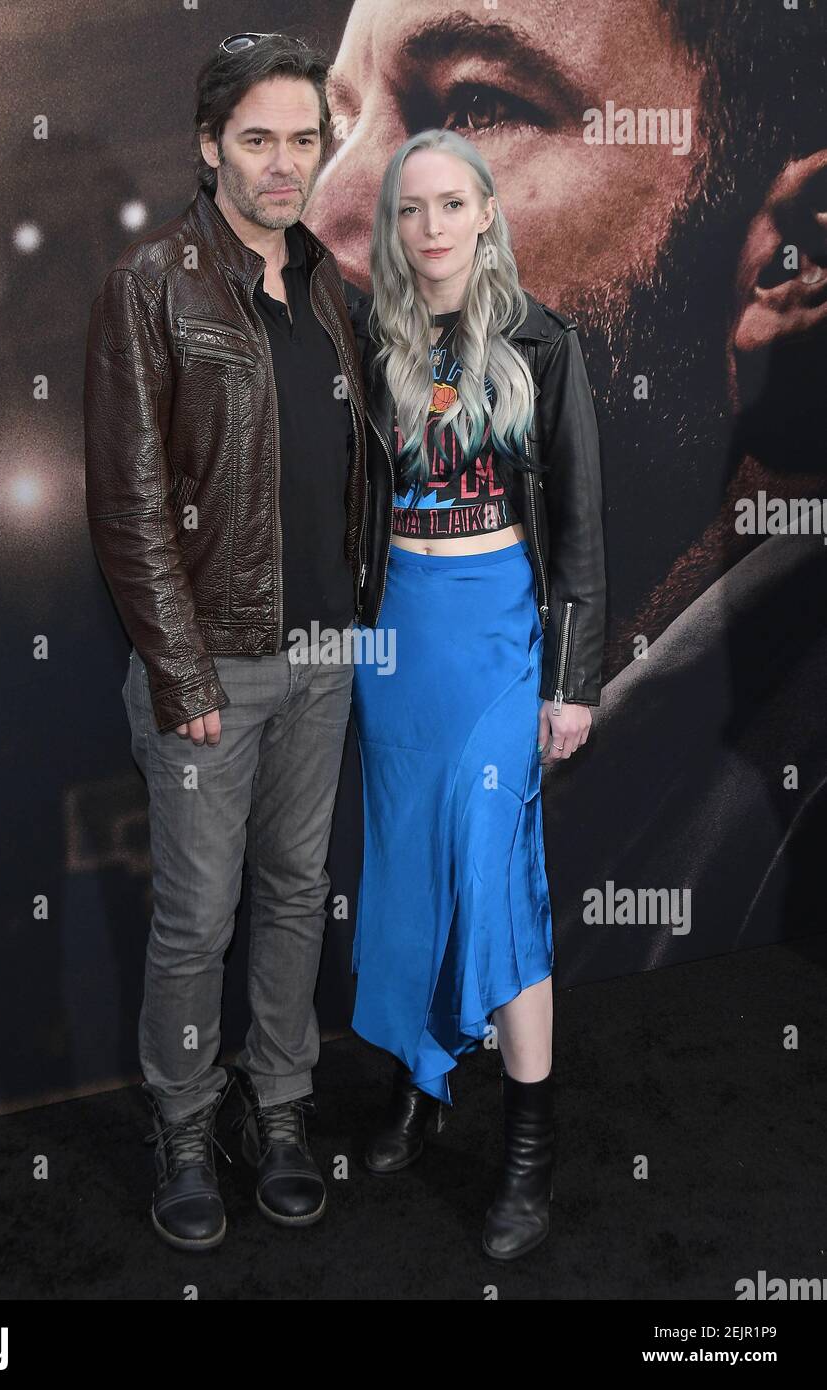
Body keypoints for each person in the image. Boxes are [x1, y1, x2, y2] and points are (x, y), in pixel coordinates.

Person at [83, 32, 368, 1250]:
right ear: (209, 149)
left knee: (297, 892)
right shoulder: (151, 288)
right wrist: (181, 670)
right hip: (214, 670)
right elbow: (130, 503)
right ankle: (186, 1122)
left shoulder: (334, 295)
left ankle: (282, 1107)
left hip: (326, 662)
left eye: (303, 139)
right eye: (257, 139)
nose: (283, 164)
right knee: (198, 919)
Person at [347, 129, 606, 1261]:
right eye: (412, 211)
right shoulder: (367, 339)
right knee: (406, 874)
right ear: (395, 227)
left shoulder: (543, 343)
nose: (432, 228)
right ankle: (422, 1079)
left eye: (453, 205)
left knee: (495, 879)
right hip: (396, 650)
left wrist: (572, 681)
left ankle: (527, 1149)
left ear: (487, 213)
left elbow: (581, 530)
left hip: (502, 645)